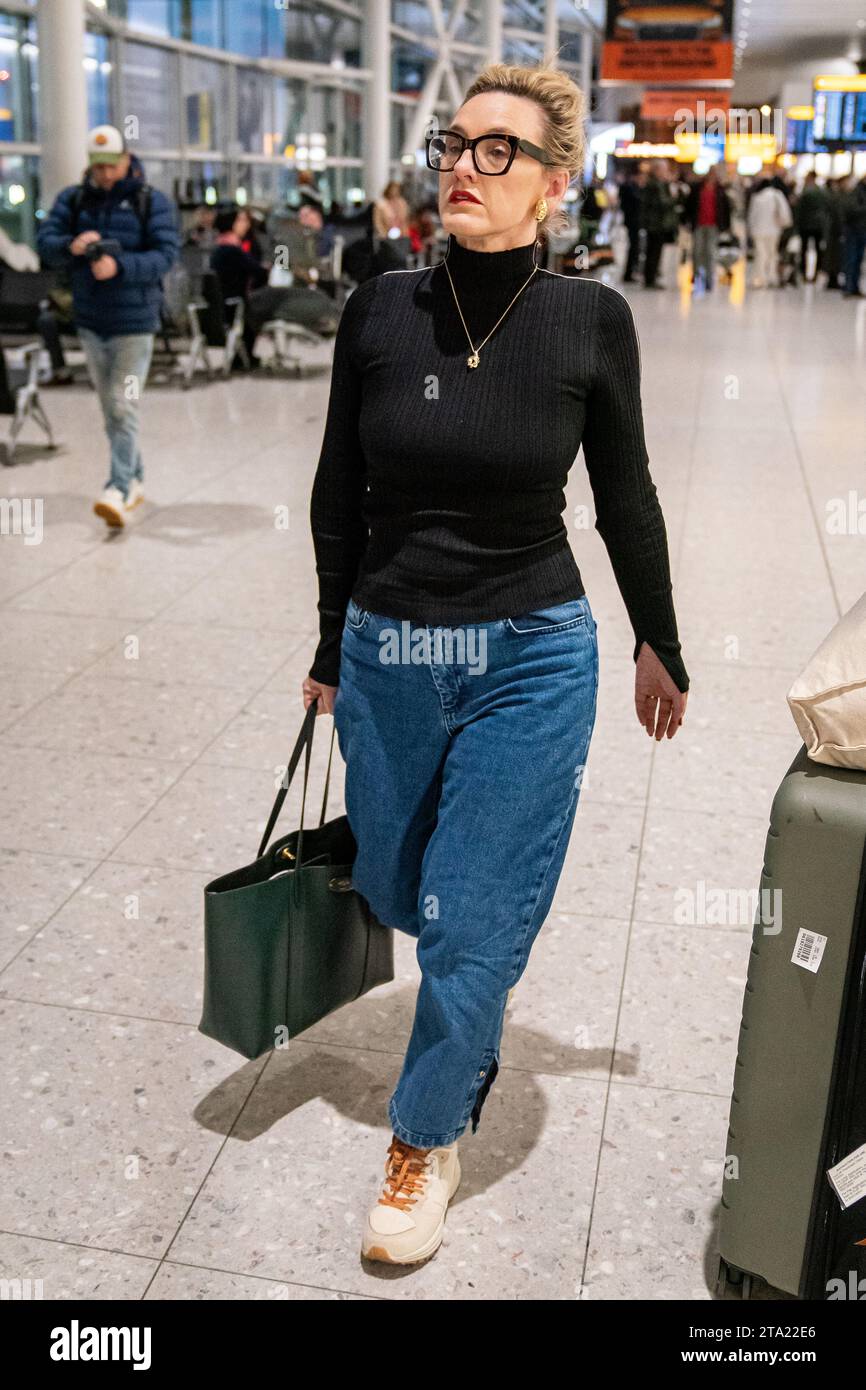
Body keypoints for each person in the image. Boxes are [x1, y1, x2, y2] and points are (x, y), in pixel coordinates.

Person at [303, 61, 689, 1267]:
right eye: (452, 143)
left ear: (552, 187)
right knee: (399, 890)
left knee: (468, 927)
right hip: (388, 648)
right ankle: (467, 1008)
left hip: (530, 649)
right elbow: (334, 495)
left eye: (495, 152)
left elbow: (623, 492)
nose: (461, 167)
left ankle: (423, 1134)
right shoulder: (380, 309)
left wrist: (657, 636)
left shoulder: (588, 320)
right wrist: (328, 647)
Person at [37, 124, 179, 527]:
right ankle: (134, 479)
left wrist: (119, 267)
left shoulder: (150, 202)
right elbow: (45, 241)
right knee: (111, 410)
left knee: (122, 404)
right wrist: (72, 245)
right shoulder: (75, 199)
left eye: (111, 165)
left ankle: (116, 487)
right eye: (97, 167)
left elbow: (166, 256)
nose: (104, 174)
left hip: (135, 323)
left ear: (125, 159)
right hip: (91, 321)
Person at [684, 164, 731, 291]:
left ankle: (709, 281)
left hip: (713, 225)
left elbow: (726, 208)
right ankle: (698, 279)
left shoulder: (720, 190)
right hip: (699, 223)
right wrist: (686, 221)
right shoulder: (697, 188)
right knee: (697, 252)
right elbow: (689, 205)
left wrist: (726, 225)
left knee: (710, 252)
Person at [747, 177, 792, 288]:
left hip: (758, 231)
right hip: (774, 230)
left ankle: (761, 278)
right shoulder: (777, 195)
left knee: (761, 254)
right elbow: (785, 211)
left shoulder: (757, 197)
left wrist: (750, 230)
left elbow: (752, 215)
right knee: (772, 254)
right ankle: (772, 277)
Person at [640, 159, 676, 288]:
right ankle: (650, 278)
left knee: (654, 252)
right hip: (655, 224)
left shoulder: (655, 183)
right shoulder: (655, 184)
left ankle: (651, 276)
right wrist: (673, 196)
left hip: (656, 223)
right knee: (653, 252)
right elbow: (662, 203)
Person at [793, 172, 829, 283]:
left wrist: (796, 225)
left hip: (806, 224)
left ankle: (804, 272)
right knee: (818, 249)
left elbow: (799, 210)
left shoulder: (806, 191)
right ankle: (817, 272)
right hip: (818, 225)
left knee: (804, 249)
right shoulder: (822, 191)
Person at [619, 164, 645, 282]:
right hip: (632, 221)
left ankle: (632, 271)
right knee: (633, 246)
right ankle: (629, 273)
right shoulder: (630, 187)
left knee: (635, 246)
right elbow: (636, 202)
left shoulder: (629, 186)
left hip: (633, 221)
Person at [842, 174, 866, 299]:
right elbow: (851, 209)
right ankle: (848, 287)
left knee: (858, 259)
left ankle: (855, 287)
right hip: (853, 230)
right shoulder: (856, 191)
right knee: (851, 259)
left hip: (861, 230)